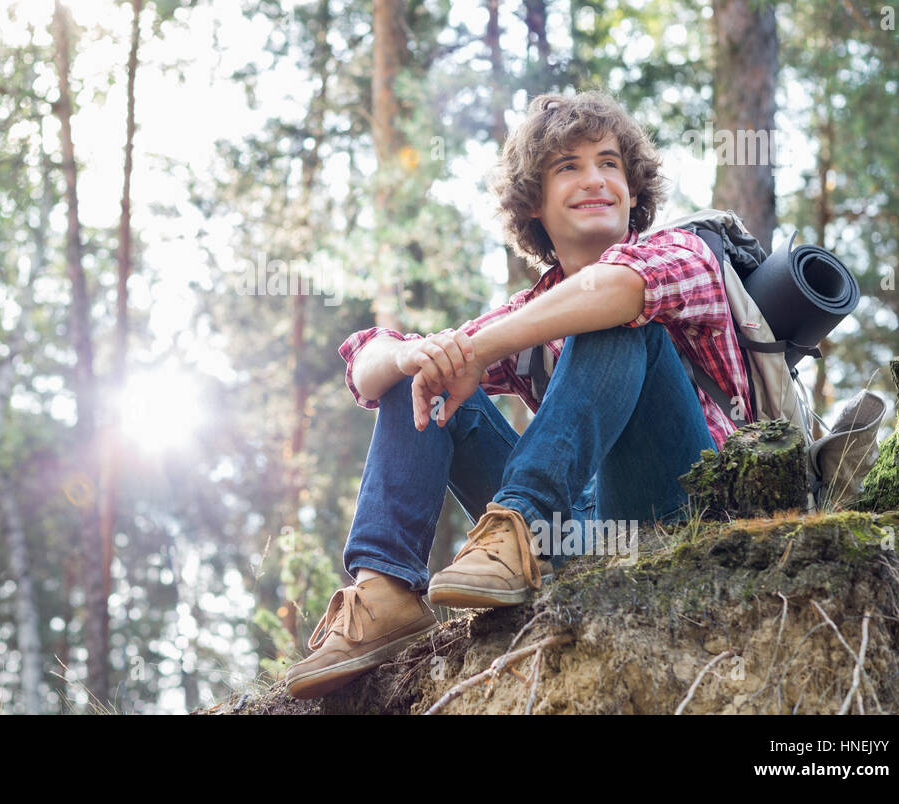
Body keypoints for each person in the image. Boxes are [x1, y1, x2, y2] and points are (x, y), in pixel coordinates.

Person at [283, 90, 754, 700]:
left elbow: (613, 290)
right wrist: (413, 356)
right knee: (422, 369)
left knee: (612, 313)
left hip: (681, 510)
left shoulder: (684, 254)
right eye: (569, 166)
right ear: (533, 201)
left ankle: (521, 522)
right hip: (579, 536)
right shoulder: (528, 313)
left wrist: (472, 353)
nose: (596, 180)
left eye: (610, 164)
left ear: (634, 190)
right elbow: (366, 363)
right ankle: (385, 594)